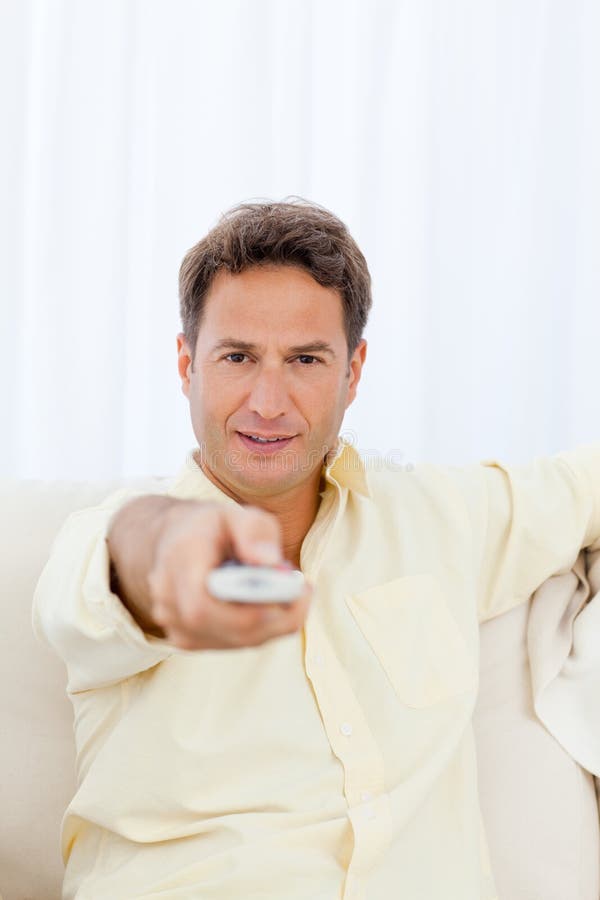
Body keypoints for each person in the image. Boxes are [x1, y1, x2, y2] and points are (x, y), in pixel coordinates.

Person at [33, 198, 600, 900]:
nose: (268, 401)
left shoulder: (442, 515)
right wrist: (178, 555)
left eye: (305, 359)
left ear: (353, 371)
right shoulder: (103, 540)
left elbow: (583, 485)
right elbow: (128, 565)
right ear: (187, 364)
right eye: (237, 357)